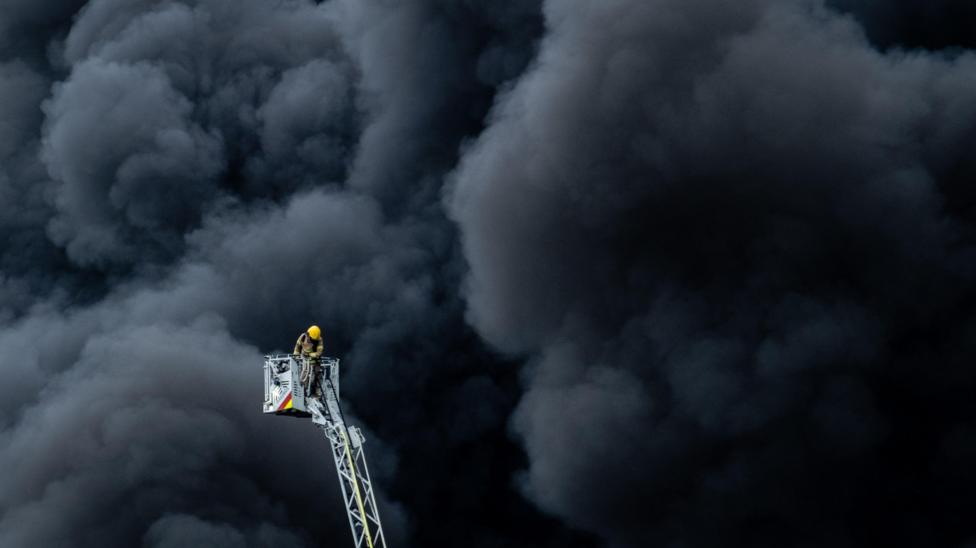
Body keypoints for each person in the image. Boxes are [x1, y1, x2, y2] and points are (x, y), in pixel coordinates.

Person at [294, 325, 324, 396]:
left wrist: (310, 355)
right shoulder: (303, 336)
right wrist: (296, 356)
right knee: (304, 374)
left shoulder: (319, 340)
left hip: (315, 361)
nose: (312, 340)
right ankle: (303, 389)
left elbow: (319, 353)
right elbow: (297, 347)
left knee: (317, 375)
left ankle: (317, 392)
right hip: (303, 359)